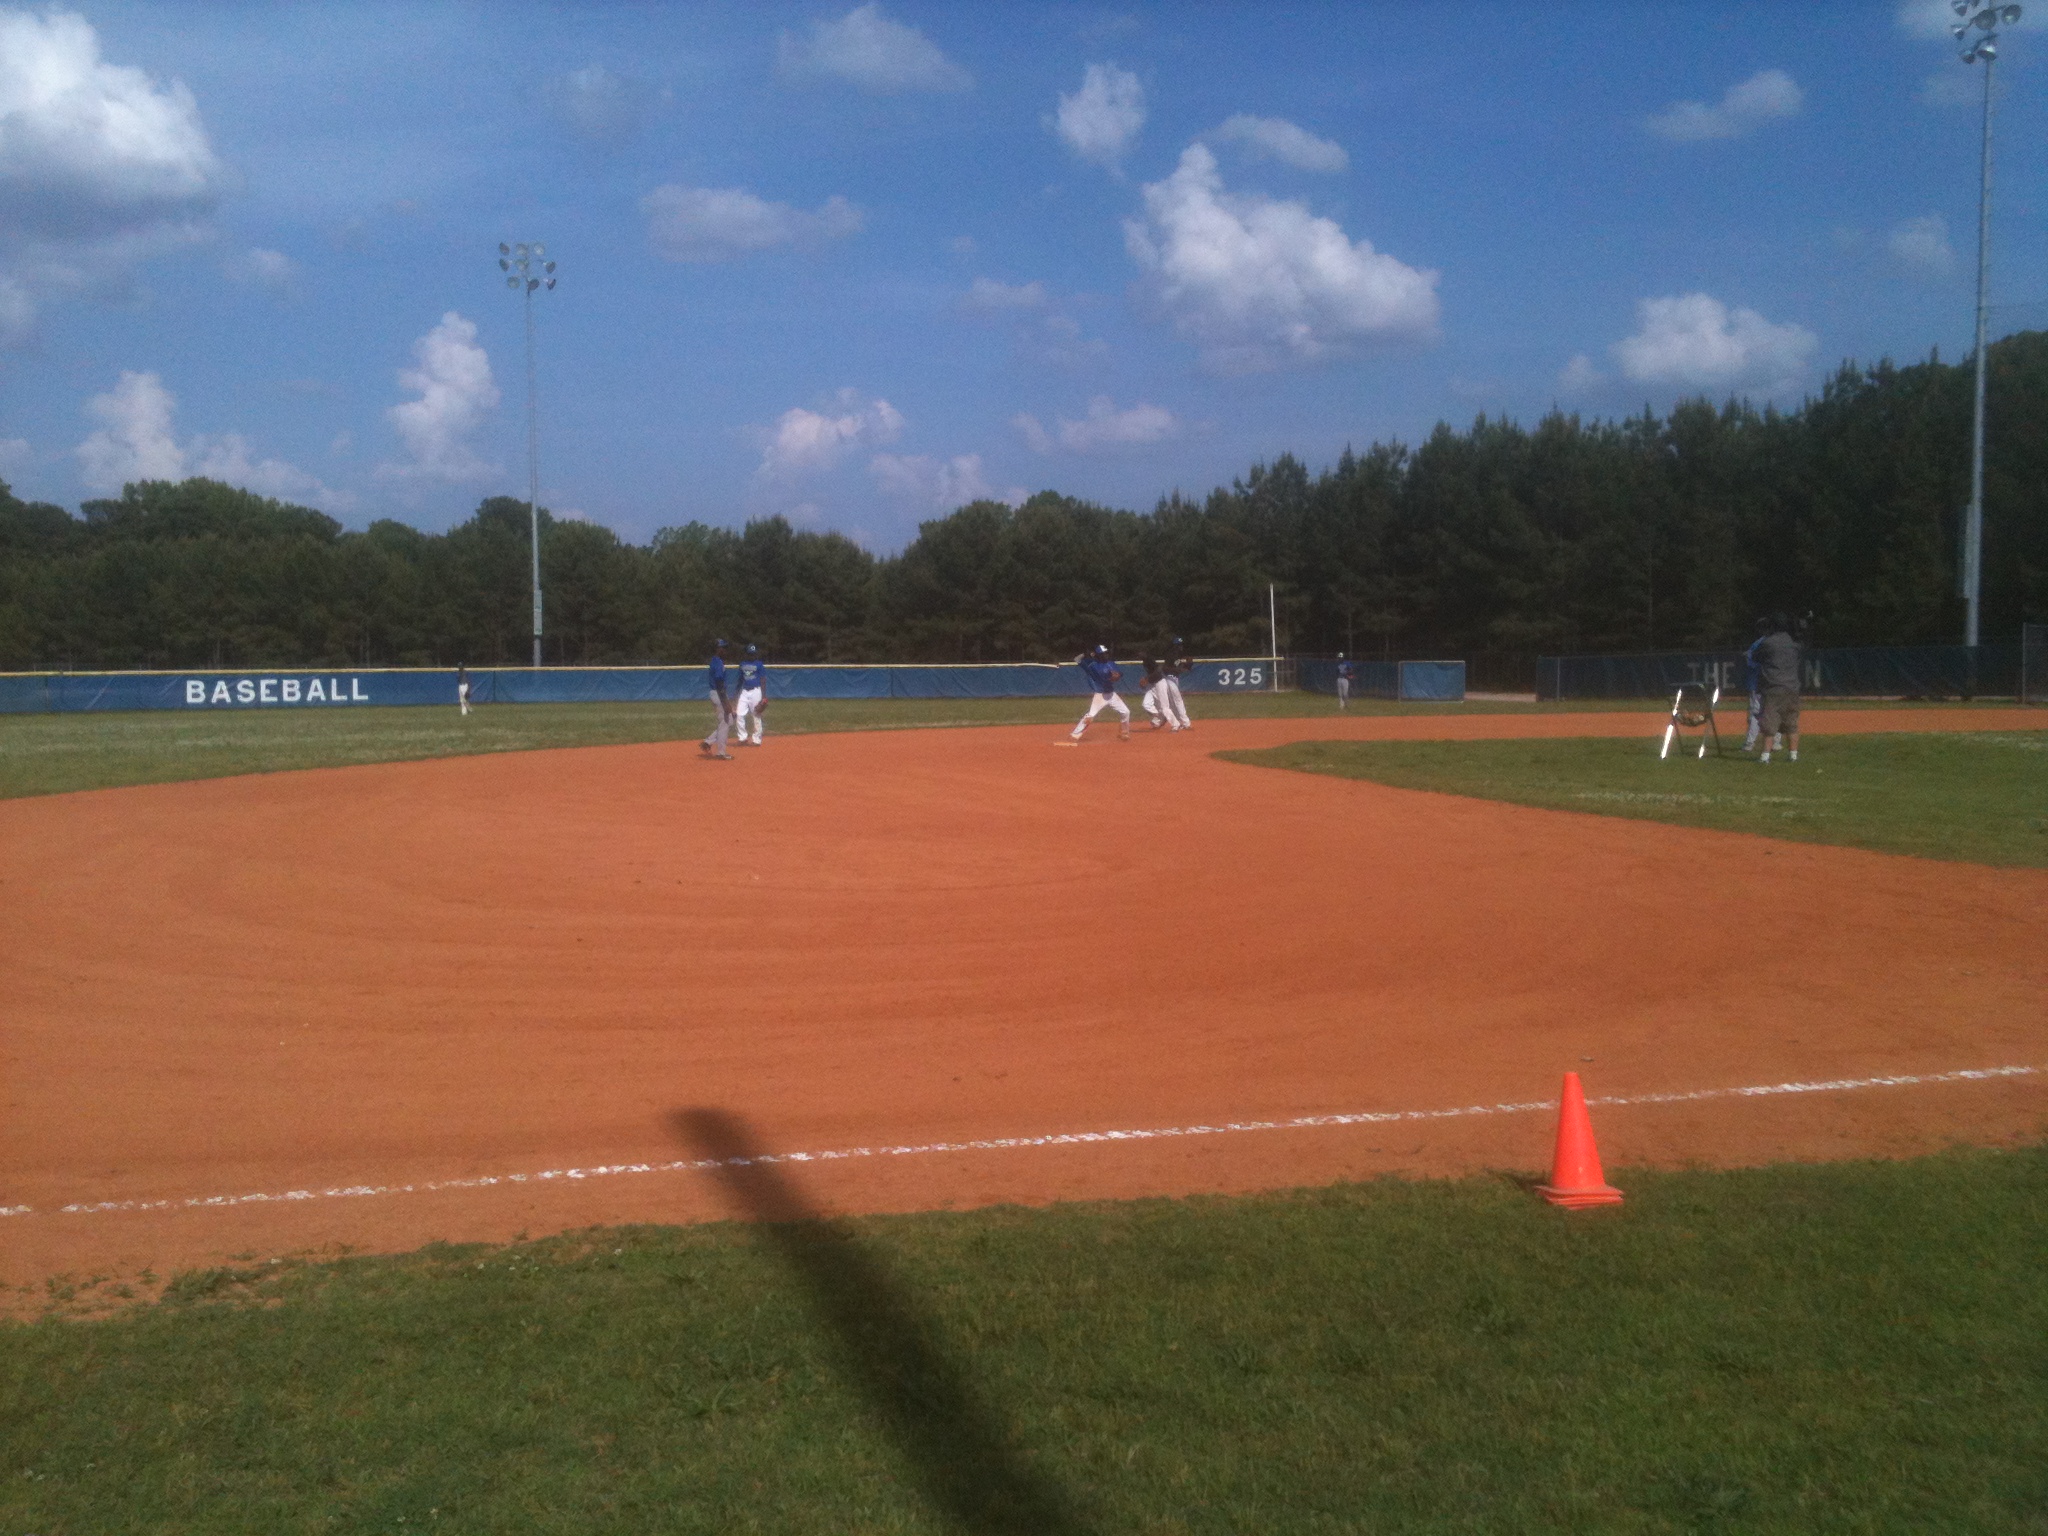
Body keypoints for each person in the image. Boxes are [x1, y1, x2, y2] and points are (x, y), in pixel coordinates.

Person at [1753, 614, 1802, 764]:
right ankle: (1793, 755)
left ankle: (1765, 756)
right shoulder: (1794, 643)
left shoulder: (1768, 643)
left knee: (1769, 723)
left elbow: (1755, 657)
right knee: (1791, 723)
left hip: (1773, 686)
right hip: (1792, 687)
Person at [1070, 644, 1130, 741]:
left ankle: (1124, 732)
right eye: (1103, 654)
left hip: (1111, 694)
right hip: (1100, 695)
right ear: (1097, 655)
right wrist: (1085, 654)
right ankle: (1074, 734)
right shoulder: (1092, 665)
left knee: (1126, 712)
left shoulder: (1110, 663)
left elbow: (1119, 673)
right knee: (1090, 716)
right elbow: (1076, 659)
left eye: (1106, 653)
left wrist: (1118, 675)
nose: (1105, 655)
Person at [700, 638, 735, 759]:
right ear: (718, 649)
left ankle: (708, 741)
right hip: (718, 693)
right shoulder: (718, 663)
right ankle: (721, 753)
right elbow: (719, 683)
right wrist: (725, 703)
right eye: (723, 648)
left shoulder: (715, 661)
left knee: (728, 721)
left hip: (716, 693)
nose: (725, 650)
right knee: (725, 722)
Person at [1741, 618, 1768, 752]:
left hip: (1756, 683)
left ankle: (1749, 743)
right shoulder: (1775, 642)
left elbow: (1752, 663)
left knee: (1755, 712)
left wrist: (1747, 656)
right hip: (1772, 683)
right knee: (1773, 711)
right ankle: (1776, 742)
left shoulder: (1757, 644)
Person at [734, 643, 767, 746]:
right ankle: (742, 738)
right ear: (747, 654)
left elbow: (763, 680)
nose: (751, 655)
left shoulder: (759, 664)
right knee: (739, 714)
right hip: (744, 691)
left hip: (756, 691)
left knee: (756, 714)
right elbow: (740, 681)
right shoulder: (742, 664)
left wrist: (764, 696)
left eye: (753, 654)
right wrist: (735, 695)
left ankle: (756, 740)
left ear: (755, 654)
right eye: (749, 654)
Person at [1160, 636, 1194, 730]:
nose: (1180, 646)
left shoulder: (1180, 655)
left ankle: (1179, 722)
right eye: (1178, 645)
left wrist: (1188, 665)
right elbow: (1164, 668)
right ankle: (1186, 723)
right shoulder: (1170, 655)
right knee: (1178, 700)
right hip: (1169, 679)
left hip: (1175, 679)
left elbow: (1184, 668)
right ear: (1174, 646)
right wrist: (1178, 669)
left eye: (1181, 645)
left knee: (1174, 702)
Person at [1139, 655, 1171, 730]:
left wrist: (1146, 679)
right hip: (1152, 685)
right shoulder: (1145, 662)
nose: (1138, 654)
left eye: (1140, 653)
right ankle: (1160, 717)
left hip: (1159, 684)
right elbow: (1152, 673)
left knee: (1161, 704)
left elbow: (1158, 671)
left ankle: (1158, 721)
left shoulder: (1149, 660)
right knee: (1146, 704)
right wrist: (1146, 680)